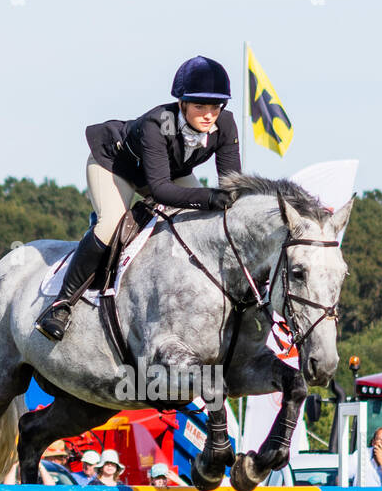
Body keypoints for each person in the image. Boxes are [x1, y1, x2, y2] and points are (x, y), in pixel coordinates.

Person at [35, 56, 241, 341]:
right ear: (181, 103)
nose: (208, 115)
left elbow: (231, 186)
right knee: (111, 225)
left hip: (168, 171)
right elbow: (160, 190)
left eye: (215, 107)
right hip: (116, 165)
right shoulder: (157, 124)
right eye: (199, 106)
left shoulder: (226, 124)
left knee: (206, 220)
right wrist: (209, 196)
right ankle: (61, 304)